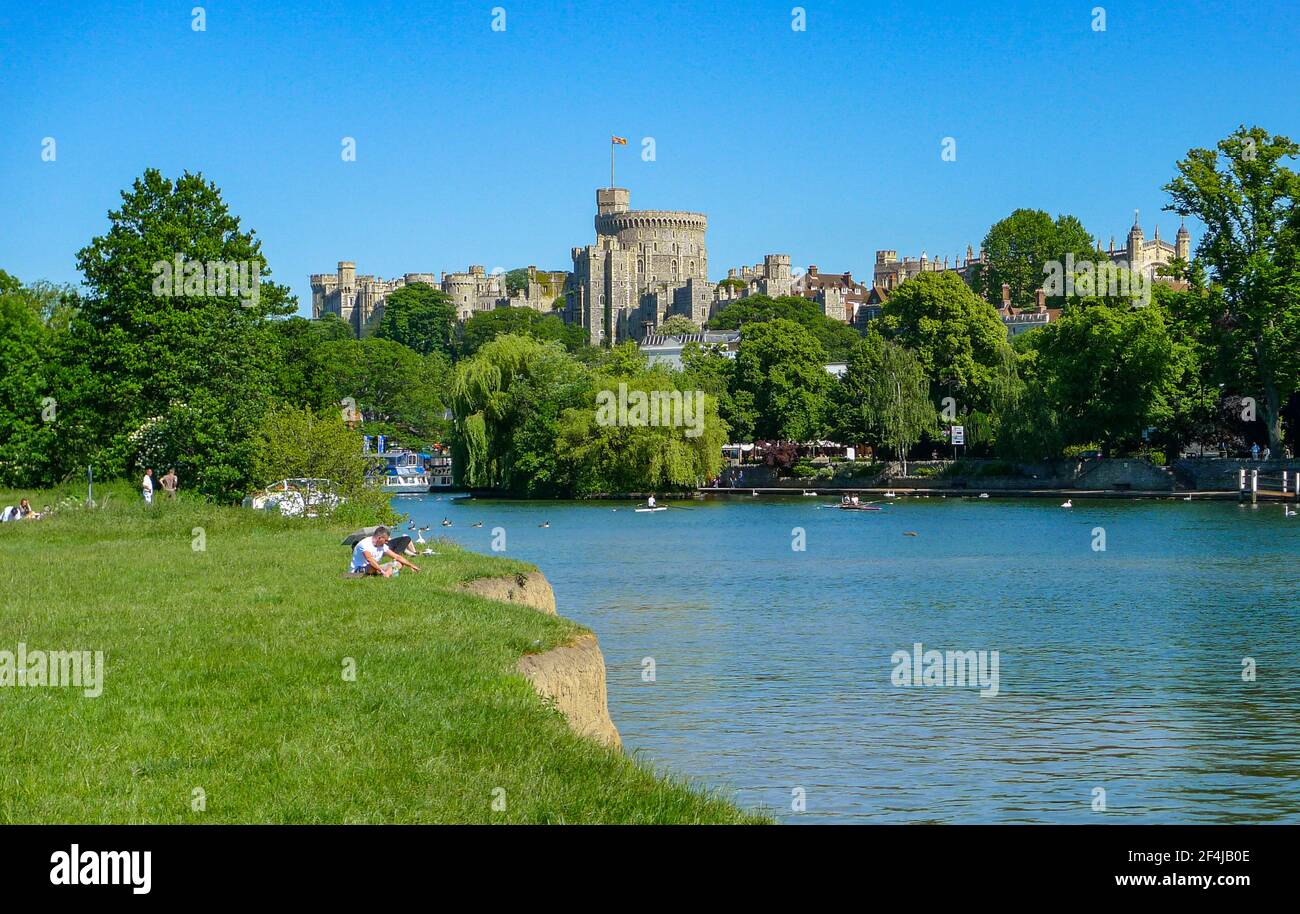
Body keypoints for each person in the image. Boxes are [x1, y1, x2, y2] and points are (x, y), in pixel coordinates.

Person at [350, 526, 421, 577]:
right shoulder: (365, 544)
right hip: (358, 570)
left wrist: (411, 565)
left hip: (375, 568)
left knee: (399, 563)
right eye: (386, 540)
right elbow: (370, 560)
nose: (387, 542)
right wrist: (382, 570)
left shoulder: (382, 546)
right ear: (379, 538)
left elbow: (396, 556)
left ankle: (386, 574)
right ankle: (383, 574)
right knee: (372, 566)